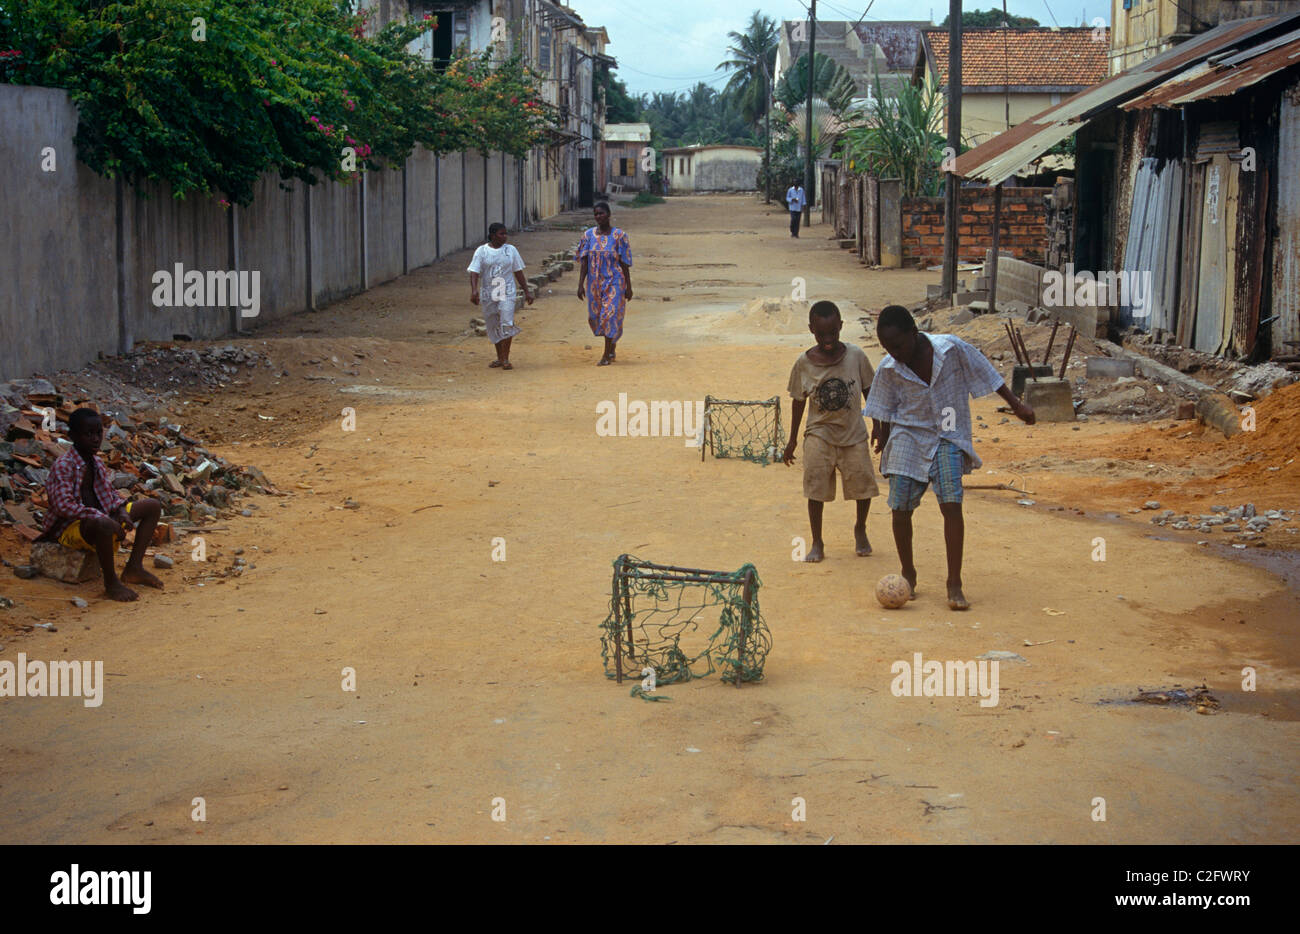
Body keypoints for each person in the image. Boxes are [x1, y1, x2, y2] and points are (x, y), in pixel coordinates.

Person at [863, 305, 1035, 610]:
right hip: (909, 432)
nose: (896, 353)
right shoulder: (889, 368)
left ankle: (954, 582)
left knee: (951, 504)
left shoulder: (952, 349)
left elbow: (988, 374)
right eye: (888, 348)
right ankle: (908, 572)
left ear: (914, 334)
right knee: (900, 508)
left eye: (899, 345)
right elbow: (884, 407)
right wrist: (883, 438)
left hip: (948, 431)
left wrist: (1017, 405)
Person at [782, 300, 879, 563]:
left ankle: (860, 527)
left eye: (832, 332)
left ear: (841, 327)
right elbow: (798, 400)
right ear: (811, 329)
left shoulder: (856, 355)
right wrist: (791, 440)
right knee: (815, 489)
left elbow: (870, 390)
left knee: (863, 486)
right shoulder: (804, 363)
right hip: (819, 434)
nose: (827, 339)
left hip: (853, 433)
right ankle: (817, 541)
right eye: (821, 334)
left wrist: (879, 424)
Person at [37, 408, 165, 602]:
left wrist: (121, 511)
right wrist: (105, 519)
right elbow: (63, 506)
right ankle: (111, 583)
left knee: (152, 506)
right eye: (88, 434)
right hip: (69, 528)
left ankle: (134, 568)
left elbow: (110, 494)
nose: (95, 439)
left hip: (99, 518)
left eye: (98, 433)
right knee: (103, 523)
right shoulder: (64, 465)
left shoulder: (96, 462)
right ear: (72, 436)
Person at [467, 222, 532, 370]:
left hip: (507, 292)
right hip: (489, 293)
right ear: (492, 235)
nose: (505, 237)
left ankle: (506, 358)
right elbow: (474, 272)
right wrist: (474, 290)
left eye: (505, 233)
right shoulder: (481, 251)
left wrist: (526, 291)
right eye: (501, 234)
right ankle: (499, 357)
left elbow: (518, 272)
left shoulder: (511, 251)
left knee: (506, 322)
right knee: (493, 324)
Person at [576, 201, 633, 366]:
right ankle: (612, 346)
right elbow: (584, 261)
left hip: (615, 280)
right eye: (596, 214)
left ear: (609, 214)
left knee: (610, 314)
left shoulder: (620, 236)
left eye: (601, 213)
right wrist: (580, 284)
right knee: (595, 317)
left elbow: (625, 263)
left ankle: (606, 355)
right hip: (594, 283)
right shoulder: (588, 235)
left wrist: (629, 286)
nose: (598, 217)